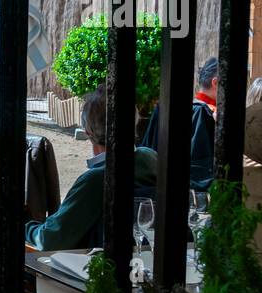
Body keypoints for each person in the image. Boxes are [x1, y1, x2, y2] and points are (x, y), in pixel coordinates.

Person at [25, 86, 157, 251]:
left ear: (87, 131)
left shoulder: (97, 179)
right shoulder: (151, 158)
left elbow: (49, 240)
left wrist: (25, 226)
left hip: (101, 269)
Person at [140, 55, 217, 191]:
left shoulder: (163, 108)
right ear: (215, 83)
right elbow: (203, 172)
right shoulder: (205, 114)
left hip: (155, 187)